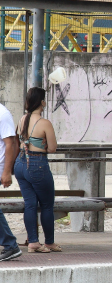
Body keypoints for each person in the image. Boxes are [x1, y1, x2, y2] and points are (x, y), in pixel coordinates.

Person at [14, 87, 59, 253]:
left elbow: (18, 141)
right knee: (47, 205)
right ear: (42, 102)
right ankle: (49, 242)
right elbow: (53, 148)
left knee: (30, 204)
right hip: (37, 164)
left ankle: (33, 242)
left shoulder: (22, 119)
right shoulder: (44, 123)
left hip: (20, 164)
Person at [0, 99, 21, 261]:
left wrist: (7, 172)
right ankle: (9, 244)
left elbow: (11, 144)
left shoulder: (3, 114)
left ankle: (10, 245)